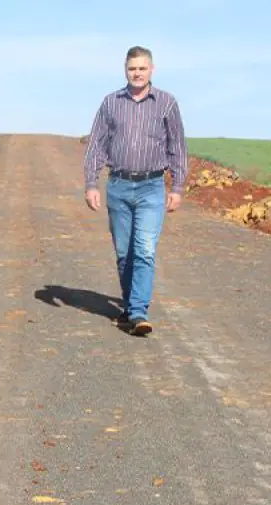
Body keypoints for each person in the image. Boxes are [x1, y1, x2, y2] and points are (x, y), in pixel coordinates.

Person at [82, 45, 188, 336]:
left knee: (144, 250)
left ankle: (139, 311)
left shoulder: (166, 103)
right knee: (124, 254)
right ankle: (130, 307)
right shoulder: (111, 103)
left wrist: (177, 187)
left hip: (151, 187)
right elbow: (96, 146)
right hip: (118, 185)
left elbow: (177, 147)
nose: (137, 73)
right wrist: (91, 184)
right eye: (132, 69)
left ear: (152, 70)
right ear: (125, 71)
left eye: (142, 68)